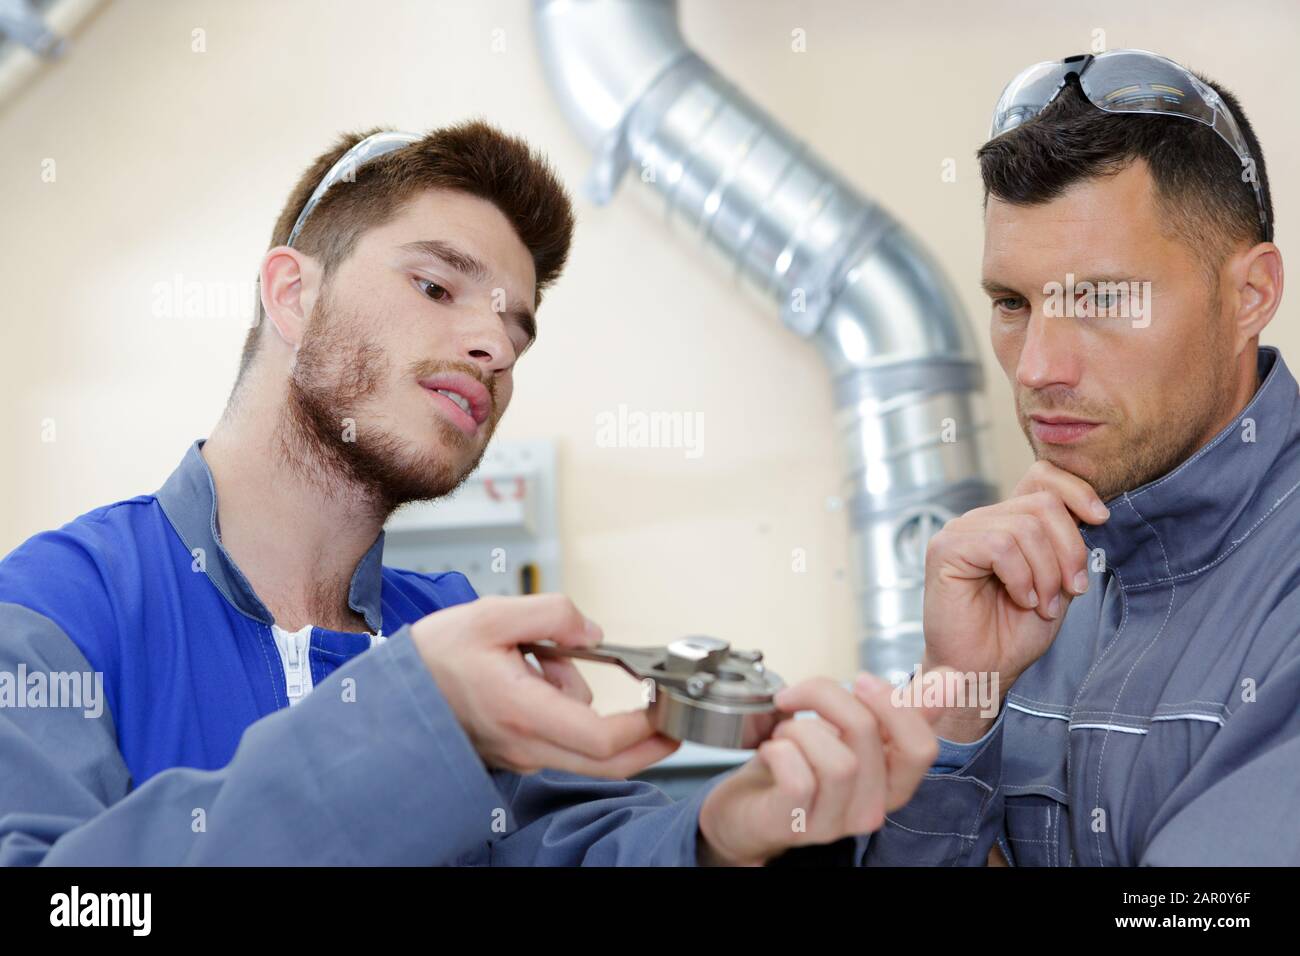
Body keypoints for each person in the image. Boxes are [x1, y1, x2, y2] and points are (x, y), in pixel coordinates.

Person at [0, 120, 939, 866]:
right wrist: (410, 723)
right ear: (292, 297)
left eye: (516, 332)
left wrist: (720, 834)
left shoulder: (453, 627)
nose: (495, 347)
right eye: (438, 285)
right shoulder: (52, 611)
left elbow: (569, 851)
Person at [864, 50, 1295, 865]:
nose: (1035, 369)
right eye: (1012, 304)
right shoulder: (1024, 582)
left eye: (1099, 299)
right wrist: (957, 698)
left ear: (1250, 296)